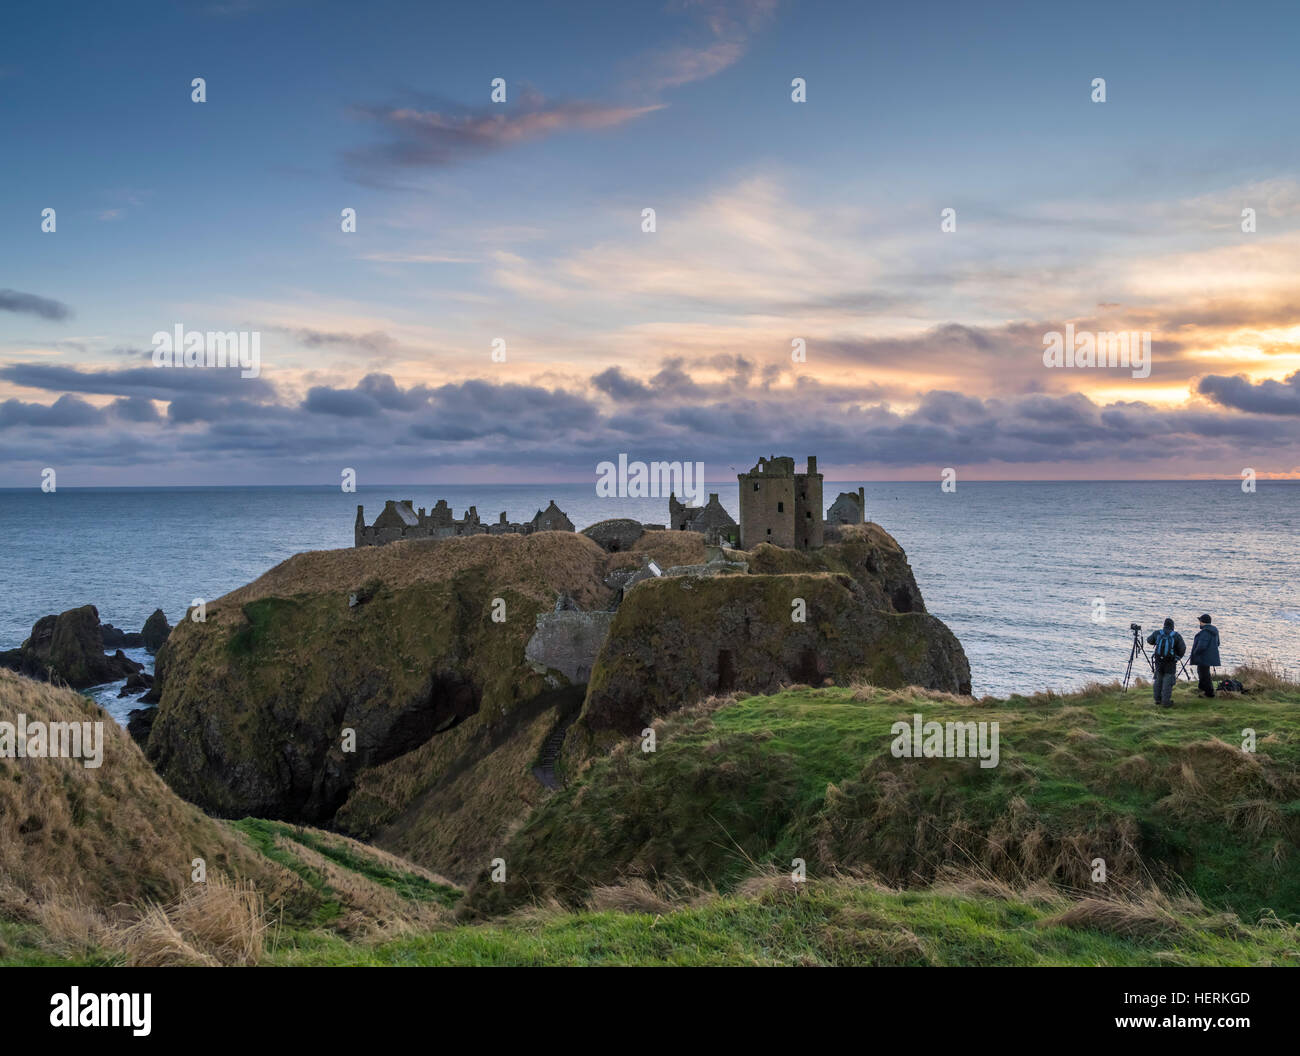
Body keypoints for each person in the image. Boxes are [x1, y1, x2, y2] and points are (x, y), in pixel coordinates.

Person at [1146, 618, 1186, 709]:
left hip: (1158, 661)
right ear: (1173, 626)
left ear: (1164, 625)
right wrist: (1177, 658)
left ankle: (1157, 699)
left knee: (1158, 680)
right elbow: (1182, 648)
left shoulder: (1158, 633)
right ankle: (1166, 702)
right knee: (1168, 682)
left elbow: (1149, 640)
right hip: (1170, 662)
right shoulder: (1176, 636)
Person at [1190, 613, 1221, 698]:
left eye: (1200, 621)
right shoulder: (1214, 630)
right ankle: (1202, 689)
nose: (1199, 623)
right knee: (1203, 672)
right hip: (1210, 657)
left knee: (1204, 674)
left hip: (1203, 657)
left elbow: (1201, 646)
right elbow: (1218, 643)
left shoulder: (1205, 632)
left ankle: (1209, 693)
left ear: (1203, 622)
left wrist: (1195, 652)